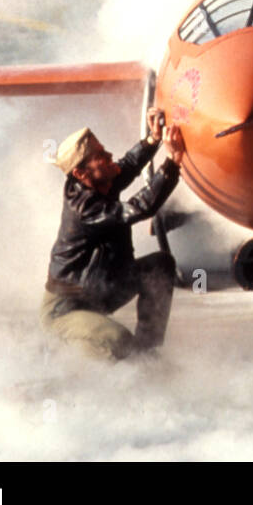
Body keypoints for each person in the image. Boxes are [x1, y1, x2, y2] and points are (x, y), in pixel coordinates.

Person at [40, 109, 185, 361]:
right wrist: (172, 162)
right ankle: (100, 369)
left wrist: (153, 139)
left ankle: (148, 355)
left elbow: (126, 167)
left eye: (104, 150)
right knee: (118, 341)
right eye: (100, 156)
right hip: (67, 308)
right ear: (81, 173)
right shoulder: (85, 207)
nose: (109, 156)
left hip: (101, 290)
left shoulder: (97, 180)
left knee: (160, 266)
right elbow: (139, 208)